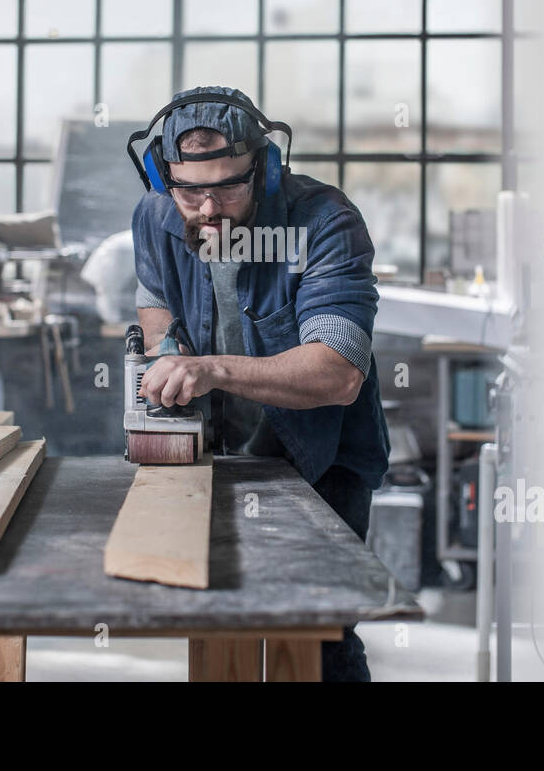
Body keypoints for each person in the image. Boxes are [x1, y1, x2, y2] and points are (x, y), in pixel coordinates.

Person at [129, 86, 391, 682]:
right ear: (162, 177)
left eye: (228, 185)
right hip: (218, 451)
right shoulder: (156, 212)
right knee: (219, 615)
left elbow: (337, 372)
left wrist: (210, 368)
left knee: (314, 629)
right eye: (190, 190)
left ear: (266, 169)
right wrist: (167, 347)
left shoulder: (325, 221)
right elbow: (152, 297)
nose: (208, 207)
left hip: (319, 456)